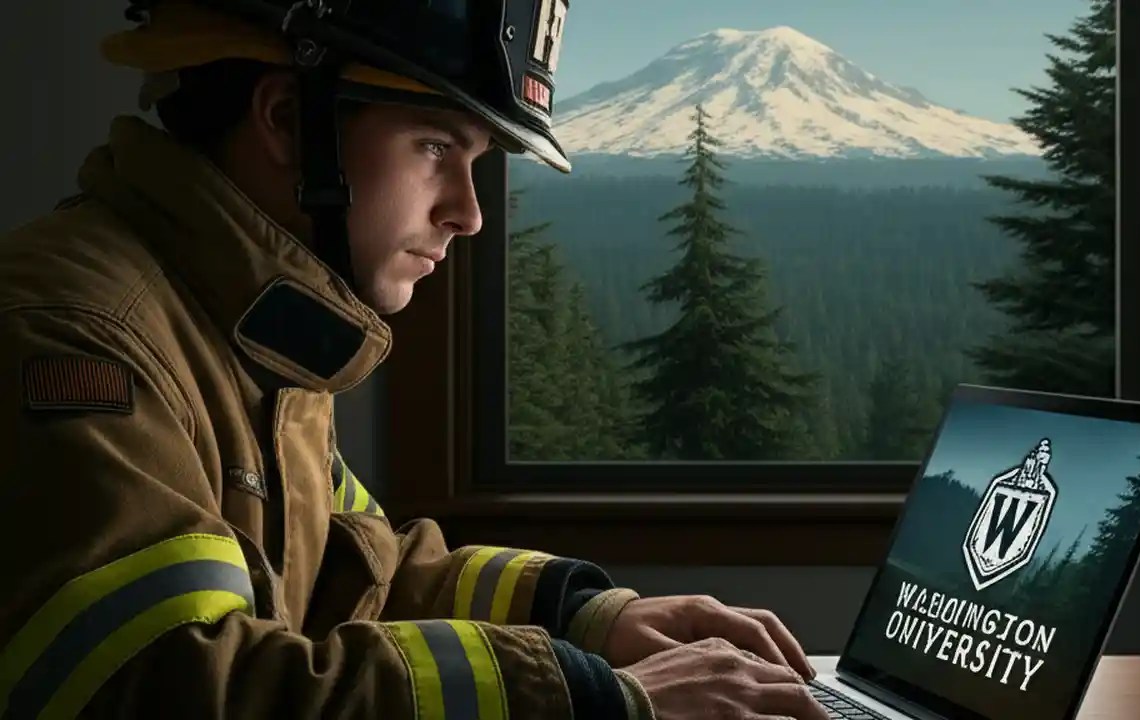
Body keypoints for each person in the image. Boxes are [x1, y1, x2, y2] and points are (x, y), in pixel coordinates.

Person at [0, 1, 830, 718]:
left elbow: (363, 570)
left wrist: (590, 619)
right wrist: (594, 699)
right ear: (287, 121)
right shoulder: (81, 340)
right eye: (437, 146)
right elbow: (168, 691)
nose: (468, 213)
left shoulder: (244, 336)